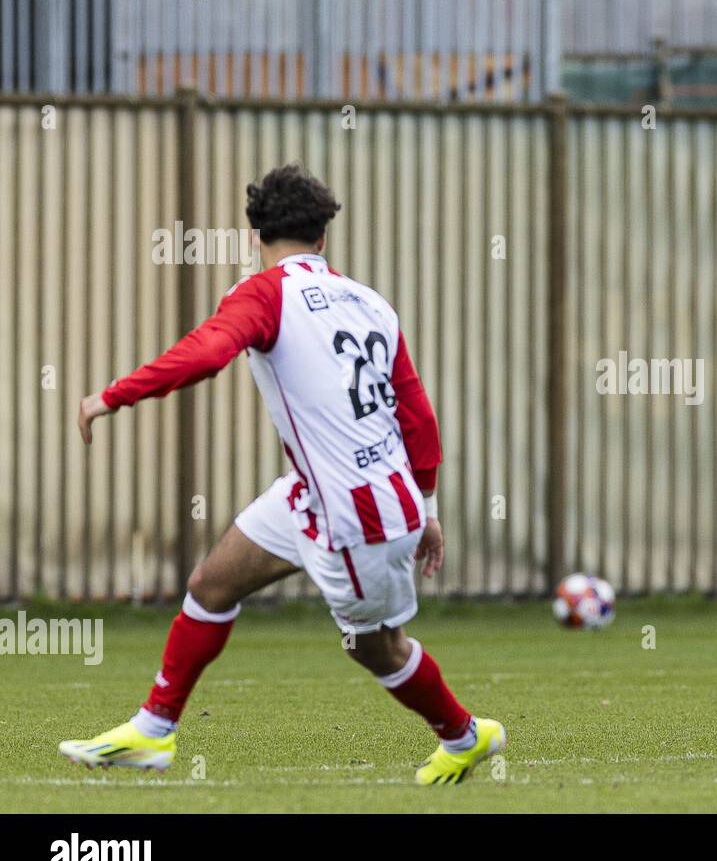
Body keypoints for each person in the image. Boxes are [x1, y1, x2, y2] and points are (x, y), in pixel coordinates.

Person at [59, 165, 504, 785]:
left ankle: (463, 735)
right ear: (323, 238)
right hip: (334, 495)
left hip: (357, 515)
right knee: (211, 586)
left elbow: (208, 353)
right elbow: (418, 416)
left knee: (377, 648)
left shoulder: (263, 293)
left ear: (254, 237)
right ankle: (153, 733)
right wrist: (427, 506)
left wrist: (113, 395)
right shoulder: (371, 302)